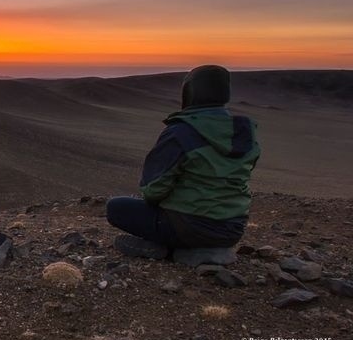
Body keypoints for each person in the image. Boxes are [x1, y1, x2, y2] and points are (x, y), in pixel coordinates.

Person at [106, 65, 260, 259]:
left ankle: (171, 251)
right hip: (233, 229)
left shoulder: (181, 132)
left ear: (189, 92)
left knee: (116, 207)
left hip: (189, 228)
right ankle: (209, 249)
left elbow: (153, 190)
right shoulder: (245, 133)